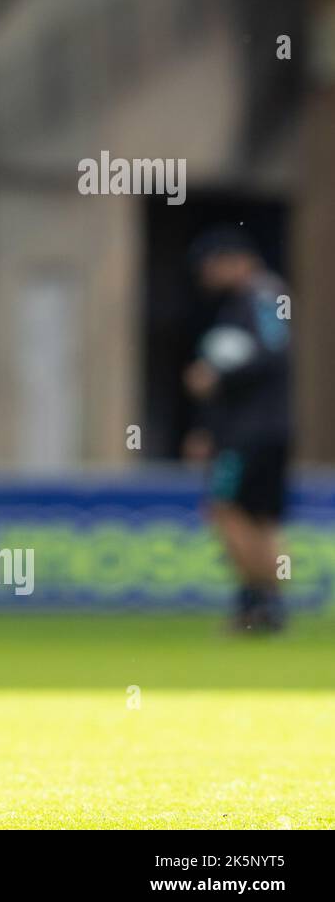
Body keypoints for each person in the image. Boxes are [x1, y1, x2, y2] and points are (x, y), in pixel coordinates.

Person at [183, 227, 291, 634]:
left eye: (211, 266)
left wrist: (216, 373)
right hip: (258, 427)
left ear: (233, 261)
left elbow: (273, 349)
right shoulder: (249, 301)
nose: (206, 276)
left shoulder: (263, 295)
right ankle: (265, 608)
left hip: (250, 432)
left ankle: (259, 603)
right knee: (260, 515)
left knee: (227, 509)